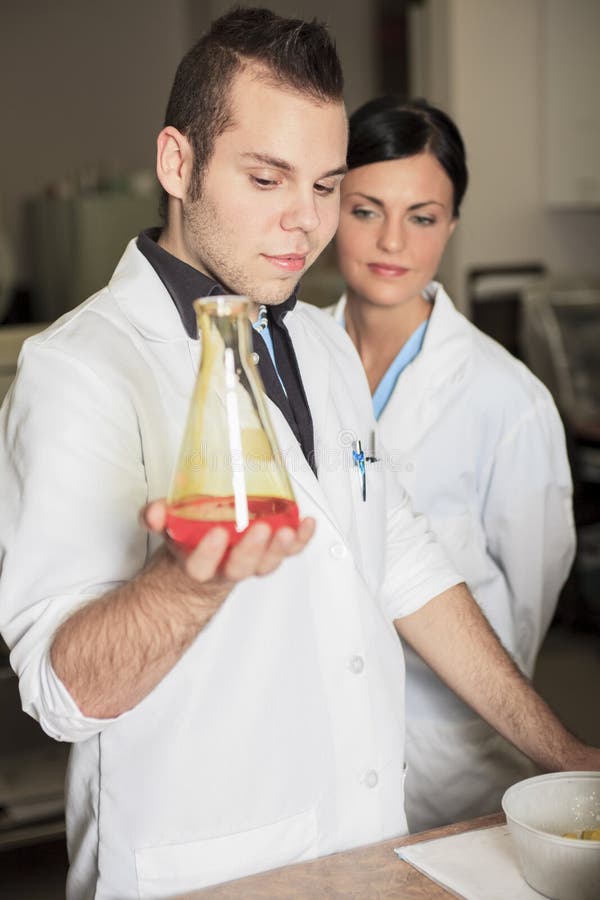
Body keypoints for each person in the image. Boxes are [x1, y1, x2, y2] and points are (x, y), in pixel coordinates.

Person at [0, 10, 596, 899]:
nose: (305, 223)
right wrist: (190, 578)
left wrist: (567, 755)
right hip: (203, 871)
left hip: (365, 848)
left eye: (324, 186)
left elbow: (406, 565)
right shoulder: (80, 370)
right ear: (177, 163)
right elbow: (60, 695)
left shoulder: (316, 343)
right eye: (266, 178)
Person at [330, 95, 577, 831]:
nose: (392, 241)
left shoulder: (507, 399)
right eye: (365, 210)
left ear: (452, 226)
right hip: (323, 741)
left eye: (423, 217)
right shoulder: (293, 358)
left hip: (454, 757)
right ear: (327, 206)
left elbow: (529, 601)